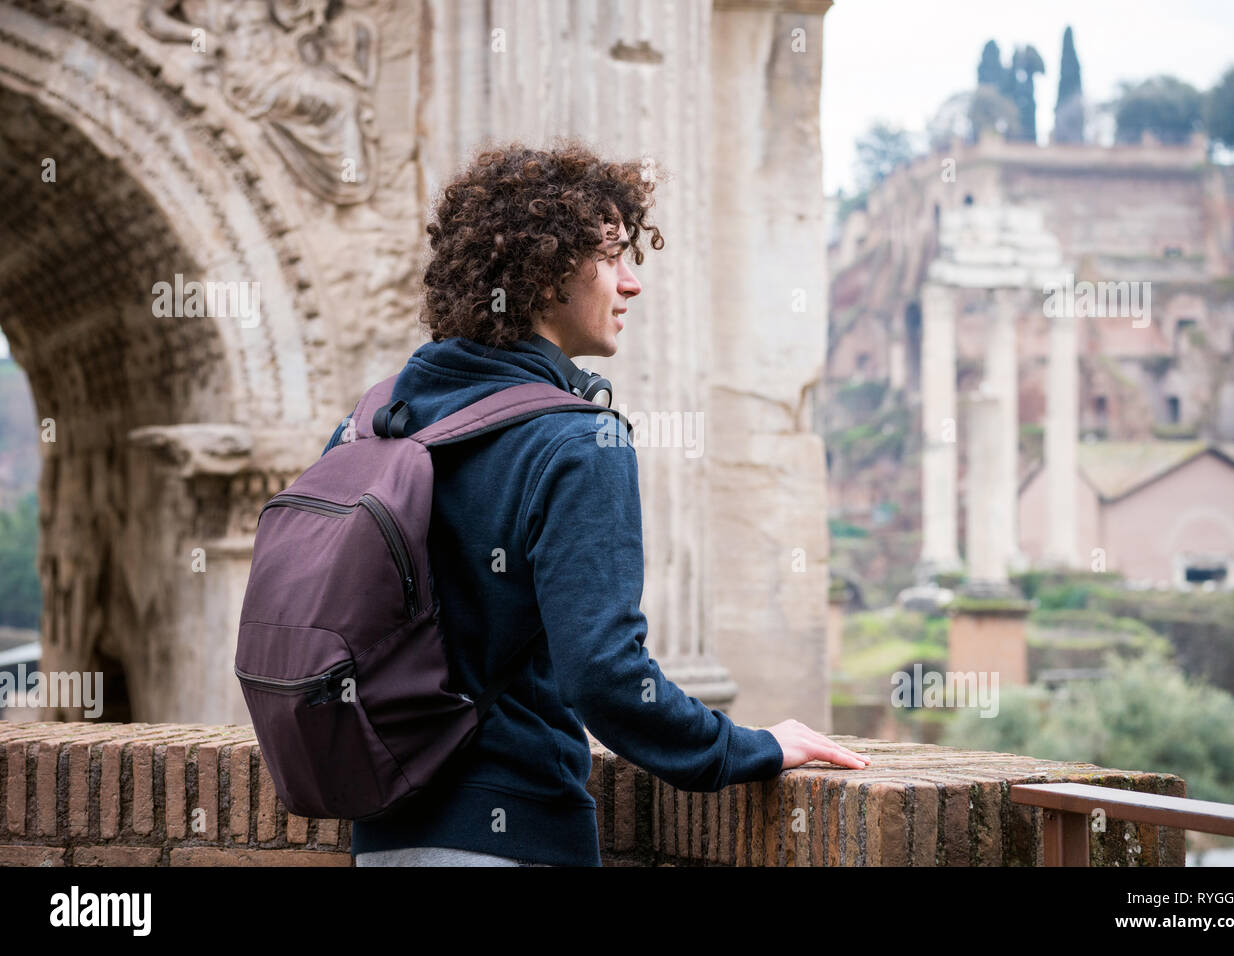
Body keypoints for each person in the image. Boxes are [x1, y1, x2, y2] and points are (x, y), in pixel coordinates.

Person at [323, 139, 868, 867]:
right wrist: (749, 747)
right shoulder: (577, 442)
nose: (632, 284)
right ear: (547, 274)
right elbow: (606, 677)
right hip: (516, 839)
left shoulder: (371, 422)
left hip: (382, 838)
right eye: (613, 257)